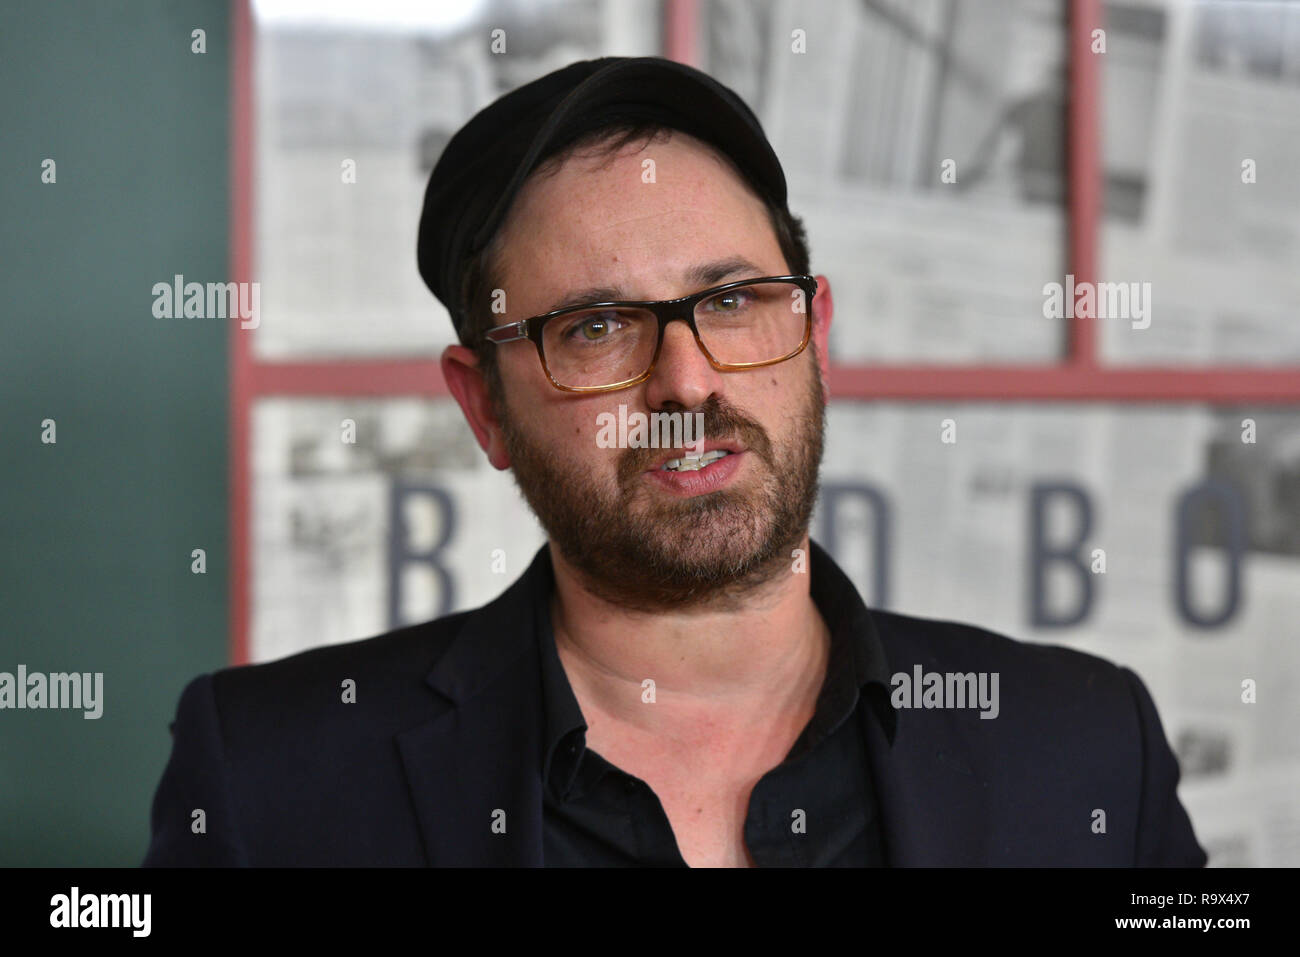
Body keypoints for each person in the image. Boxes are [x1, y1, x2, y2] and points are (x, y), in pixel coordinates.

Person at [143, 56, 1207, 867]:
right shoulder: (270, 781)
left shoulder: (1086, 750)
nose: (687, 382)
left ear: (813, 331)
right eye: (597, 327)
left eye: (734, 302)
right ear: (486, 405)